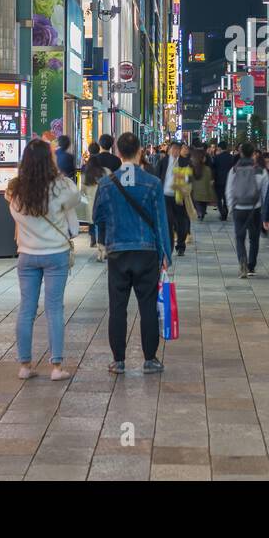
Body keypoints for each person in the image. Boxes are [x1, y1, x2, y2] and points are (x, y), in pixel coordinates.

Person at [90, 131, 174, 375]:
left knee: (118, 307)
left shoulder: (107, 183)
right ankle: (150, 359)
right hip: (146, 251)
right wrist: (165, 254)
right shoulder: (152, 183)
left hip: (118, 252)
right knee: (147, 305)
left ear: (117, 153)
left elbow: (97, 217)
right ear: (140, 152)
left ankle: (118, 360)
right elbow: (160, 221)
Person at [5, 138, 80, 382]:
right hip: (55, 255)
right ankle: (56, 367)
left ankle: (24, 365)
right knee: (54, 309)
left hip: (27, 256)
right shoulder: (60, 186)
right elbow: (75, 198)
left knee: (26, 309)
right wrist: (58, 174)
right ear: (50, 160)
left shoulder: (14, 190)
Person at [226, 142, 268, 278]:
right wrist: (264, 211)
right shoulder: (261, 171)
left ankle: (242, 264)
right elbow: (265, 193)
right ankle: (251, 266)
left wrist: (230, 207)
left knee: (239, 238)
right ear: (254, 153)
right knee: (254, 238)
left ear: (241, 153)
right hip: (254, 209)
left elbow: (229, 190)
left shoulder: (234, 169)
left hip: (238, 208)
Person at [80, 142, 109, 254]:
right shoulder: (104, 171)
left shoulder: (86, 172)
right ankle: (101, 244)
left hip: (90, 201)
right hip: (102, 200)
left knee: (92, 221)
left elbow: (82, 189)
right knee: (101, 223)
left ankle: (93, 239)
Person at [170, 152, 193, 254]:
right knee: (182, 221)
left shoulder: (176, 170)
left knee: (178, 221)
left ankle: (180, 244)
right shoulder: (187, 171)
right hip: (180, 198)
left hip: (177, 198)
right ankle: (181, 245)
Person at [212, 141, 238, 221]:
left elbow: (214, 169)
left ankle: (222, 212)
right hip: (228, 180)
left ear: (219, 148)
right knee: (226, 197)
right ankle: (225, 212)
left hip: (218, 181)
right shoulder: (231, 157)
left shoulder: (216, 157)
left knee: (218, 198)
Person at [189, 148, 215, 221]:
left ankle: (199, 212)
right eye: (204, 157)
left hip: (195, 193)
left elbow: (190, 180)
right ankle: (201, 213)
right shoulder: (207, 169)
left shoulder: (192, 169)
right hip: (205, 193)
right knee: (203, 204)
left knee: (197, 204)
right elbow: (209, 182)